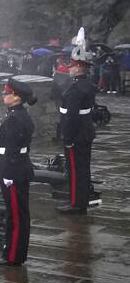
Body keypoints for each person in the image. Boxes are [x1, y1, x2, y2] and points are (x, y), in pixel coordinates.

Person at [0, 79, 36, 266]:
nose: (4, 95)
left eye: (7, 93)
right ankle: (11, 252)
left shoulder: (15, 119)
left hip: (13, 170)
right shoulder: (18, 115)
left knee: (16, 215)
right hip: (15, 168)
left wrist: (8, 175)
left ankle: (13, 256)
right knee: (15, 213)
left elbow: (12, 150)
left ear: (16, 97)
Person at [56, 57, 98, 215]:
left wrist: (67, 139)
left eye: (72, 67)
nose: (69, 69)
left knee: (75, 169)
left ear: (78, 68)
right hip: (86, 131)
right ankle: (82, 199)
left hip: (76, 134)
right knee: (83, 168)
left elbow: (71, 117)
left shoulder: (75, 89)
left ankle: (76, 203)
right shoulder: (88, 85)